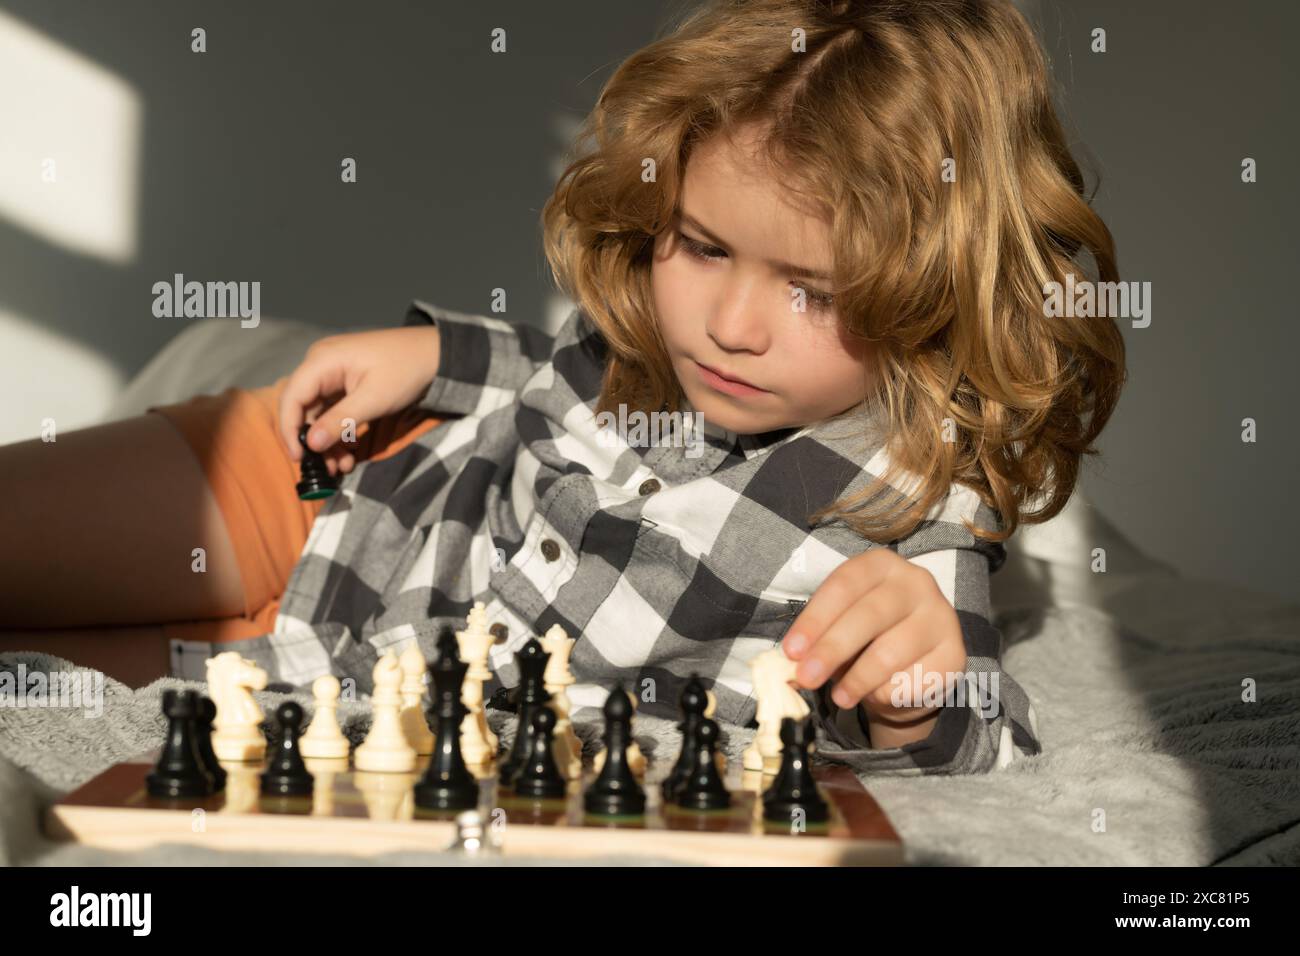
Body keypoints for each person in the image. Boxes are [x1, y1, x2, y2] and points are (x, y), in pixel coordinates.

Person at [0, 0, 1125, 773]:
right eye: (698, 244)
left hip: (337, 679)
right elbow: (576, 369)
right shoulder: (657, 330)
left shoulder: (915, 502)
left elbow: (985, 734)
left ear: (934, 292)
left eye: (815, 292)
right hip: (335, 485)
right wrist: (448, 359)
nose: (728, 326)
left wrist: (916, 693)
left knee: (25, 688)